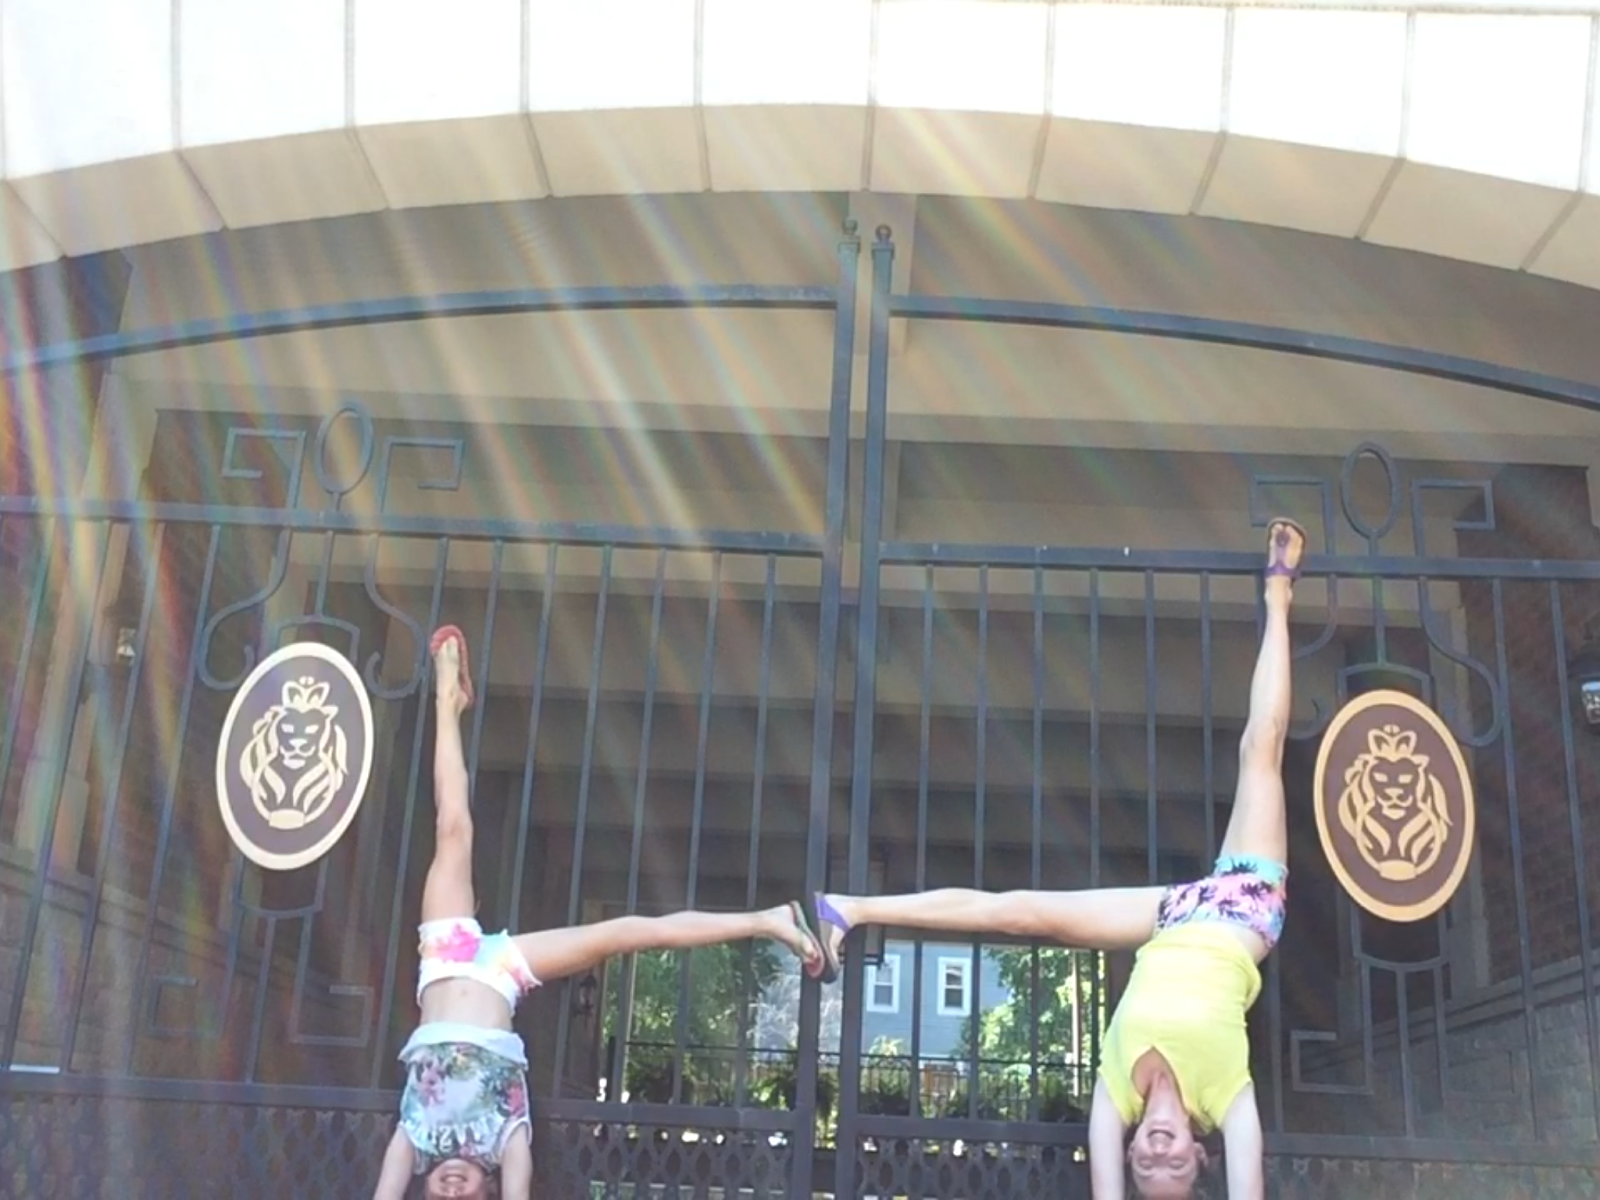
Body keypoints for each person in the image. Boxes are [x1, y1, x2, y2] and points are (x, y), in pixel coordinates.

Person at [804, 518, 1305, 1200]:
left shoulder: (1113, 1096)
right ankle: (1280, 592)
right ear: (1200, 1152)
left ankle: (852, 906)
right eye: (1176, 1168)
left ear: (1127, 1152)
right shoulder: (1229, 1097)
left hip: (1167, 919)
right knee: (1260, 747)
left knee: (1018, 913)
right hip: (1244, 907)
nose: (1157, 1157)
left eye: (1143, 1169)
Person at [375, 626, 824, 1200]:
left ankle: (448, 701)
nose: (453, 1194)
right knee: (628, 932)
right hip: (500, 974)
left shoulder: (412, 1141)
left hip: (445, 960)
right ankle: (767, 919)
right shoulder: (505, 1140)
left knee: (453, 828)